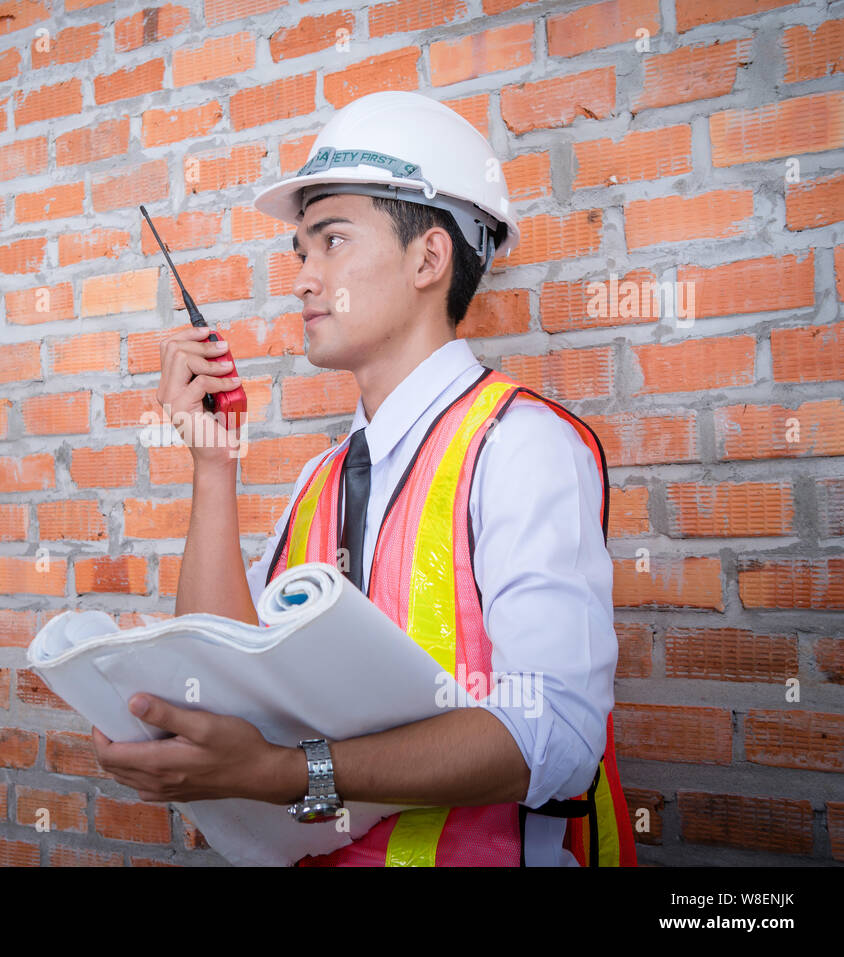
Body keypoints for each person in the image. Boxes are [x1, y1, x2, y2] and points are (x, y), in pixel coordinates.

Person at [91, 91, 636, 866]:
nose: (304, 280)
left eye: (332, 242)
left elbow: (557, 738)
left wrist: (288, 773)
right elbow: (217, 679)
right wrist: (213, 466)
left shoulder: (520, 446)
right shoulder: (323, 478)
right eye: (300, 253)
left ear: (428, 258)